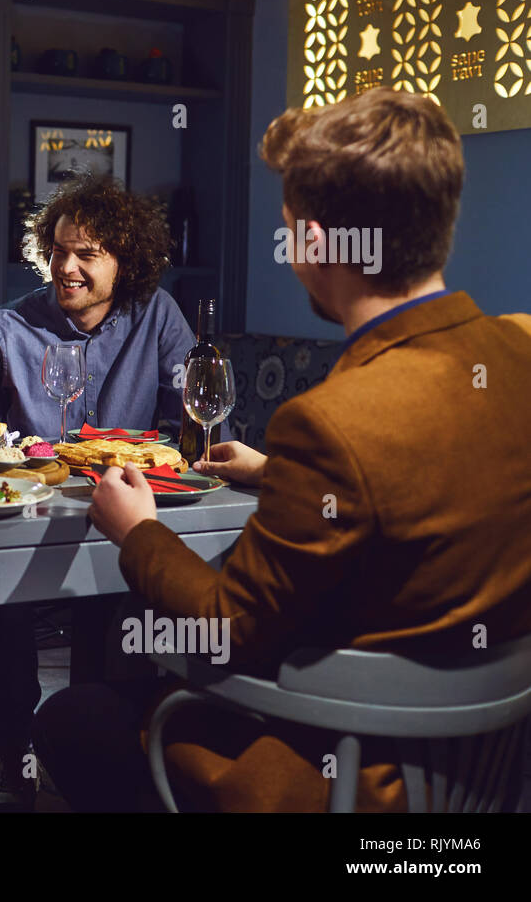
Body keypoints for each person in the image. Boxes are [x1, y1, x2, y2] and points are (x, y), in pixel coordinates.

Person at [37, 87, 531, 811]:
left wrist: (137, 531)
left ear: (321, 243)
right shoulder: (518, 351)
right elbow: (422, 488)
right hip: (480, 779)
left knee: (76, 717)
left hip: (348, 784)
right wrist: (283, 475)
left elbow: (223, 629)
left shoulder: (330, 422)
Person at [0, 173, 205, 811]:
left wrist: (189, 444)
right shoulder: (3, 330)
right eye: (59, 250)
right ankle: (15, 757)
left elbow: (191, 419)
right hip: (22, 530)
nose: (66, 268)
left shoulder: (158, 316)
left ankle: (95, 753)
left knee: (124, 601)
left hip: (121, 522)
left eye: (88, 254)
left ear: (127, 261)